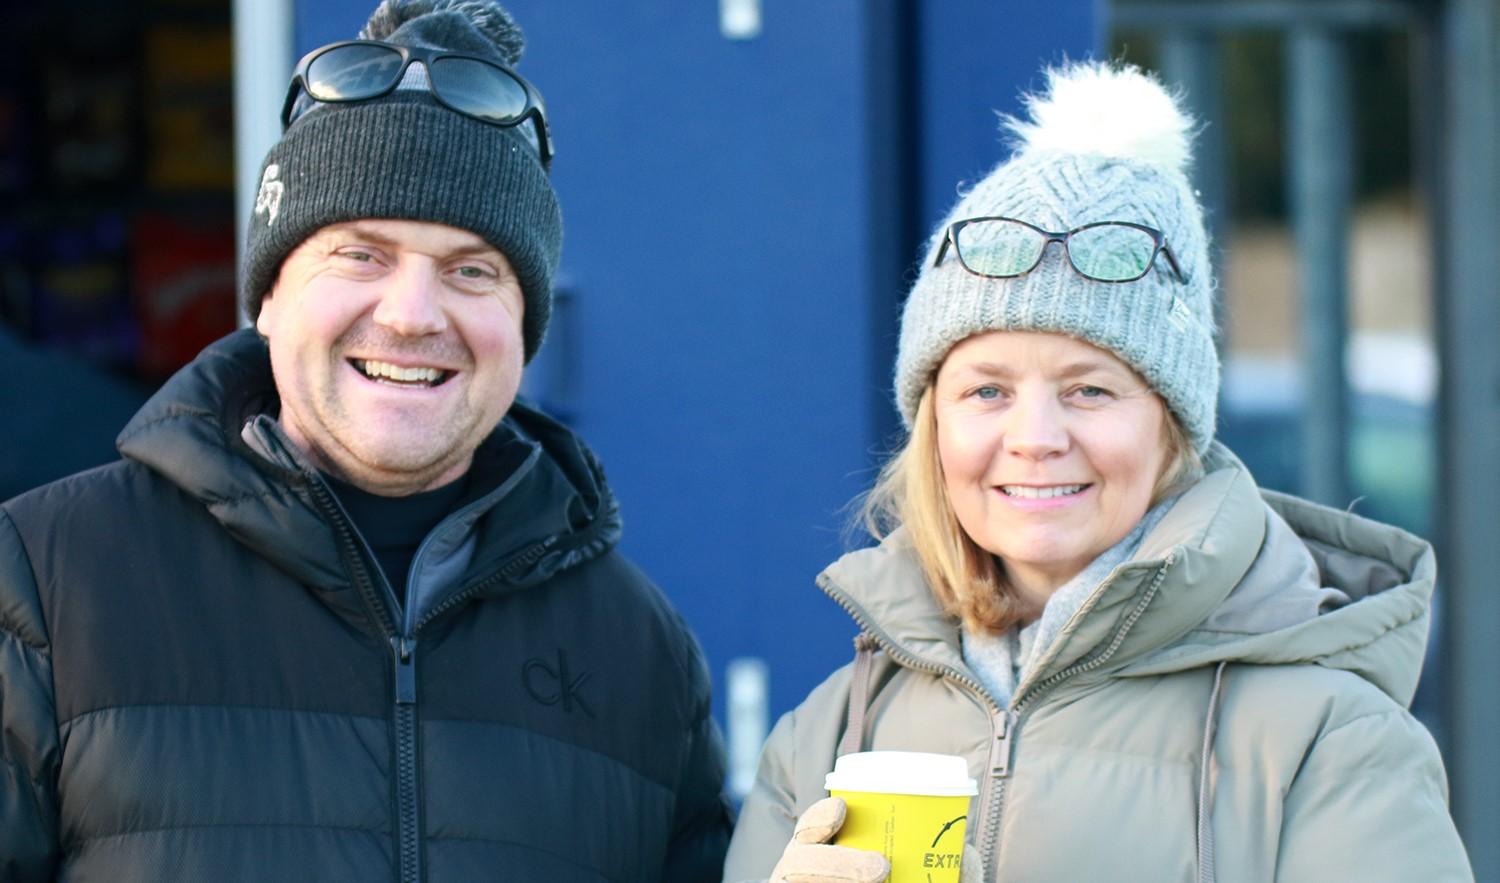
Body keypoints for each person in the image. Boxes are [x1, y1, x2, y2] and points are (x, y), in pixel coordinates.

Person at [0, 1, 731, 879]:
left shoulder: (641, 651)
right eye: (361, 255)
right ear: (268, 296)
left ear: (525, 327)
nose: (413, 315)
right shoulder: (46, 582)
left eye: (472, 271)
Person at [724, 62, 1472, 883]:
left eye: (1089, 389)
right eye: (987, 390)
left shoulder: (1331, 742)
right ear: (934, 426)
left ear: (1172, 427)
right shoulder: (828, 736)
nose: (1035, 437)